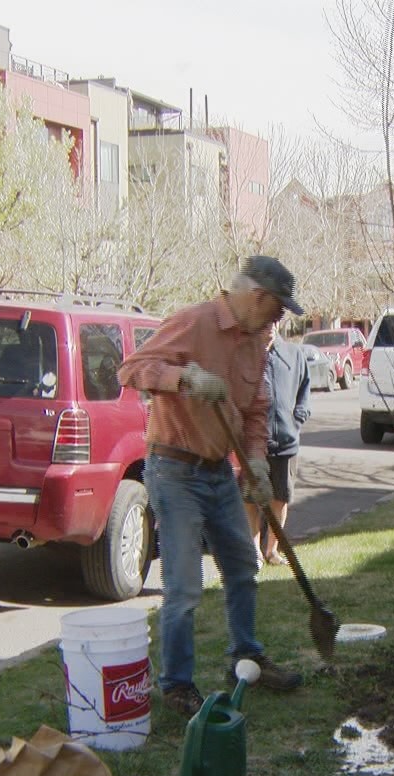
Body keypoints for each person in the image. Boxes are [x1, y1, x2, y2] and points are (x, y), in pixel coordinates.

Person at [120, 256, 307, 716]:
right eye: (279, 308)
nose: (280, 319)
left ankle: (246, 655)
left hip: (219, 471)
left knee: (243, 566)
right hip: (174, 469)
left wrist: (259, 466)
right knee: (184, 587)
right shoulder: (193, 322)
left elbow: (257, 409)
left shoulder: (255, 342)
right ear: (258, 297)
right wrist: (183, 377)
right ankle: (177, 685)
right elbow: (130, 369)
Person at [248, 324, 311, 567]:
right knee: (251, 498)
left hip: (286, 441)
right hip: (253, 443)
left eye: (274, 323)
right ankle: (254, 550)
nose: (270, 328)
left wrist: (298, 419)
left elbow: (305, 388)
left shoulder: (293, 354)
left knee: (280, 497)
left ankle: (271, 549)